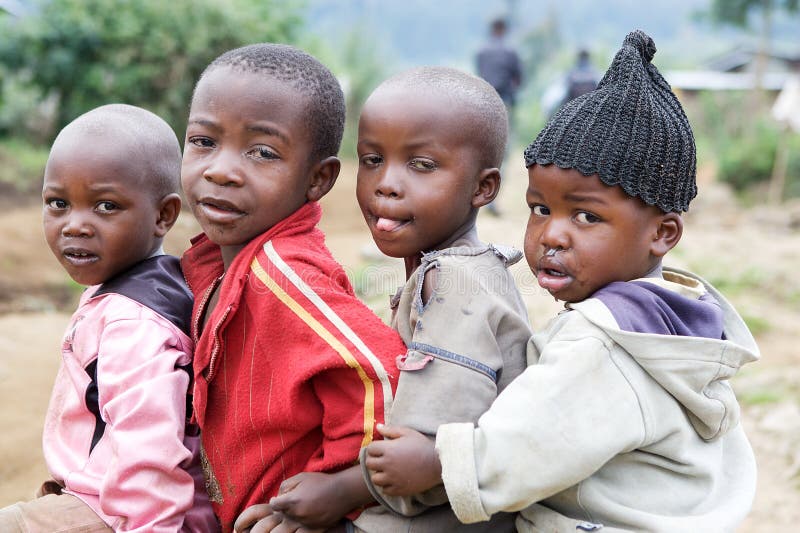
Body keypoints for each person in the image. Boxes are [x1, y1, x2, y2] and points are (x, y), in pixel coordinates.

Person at [363, 30, 759, 532]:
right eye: (540, 209)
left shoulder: (602, 342)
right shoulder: (674, 321)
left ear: (662, 234)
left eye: (587, 217)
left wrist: (439, 464)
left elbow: (534, 441)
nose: (552, 235)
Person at [242, 66, 533, 533]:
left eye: (422, 165)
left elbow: (427, 455)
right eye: (373, 159)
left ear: (483, 188)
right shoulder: (455, 270)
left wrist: (340, 492)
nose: (386, 183)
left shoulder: (452, 280)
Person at [179, 43, 405, 533]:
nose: (220, 169)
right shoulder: (216, 262)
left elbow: (382, 377)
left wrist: (345, 488)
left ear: (317, 178)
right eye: (203, 141)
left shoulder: (283, 273)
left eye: (262, 152)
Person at [0, 104, 217, 532]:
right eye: (58, 203)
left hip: (120, 513)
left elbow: (150, 454)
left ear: (163, 215)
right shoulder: (152, 285)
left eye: (105, 206)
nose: (75, 225)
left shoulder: (132, 324)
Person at [476, 17, 523, 217]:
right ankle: (492, 200)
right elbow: (519, 80)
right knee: (502, 151)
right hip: (504, 104)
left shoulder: (481, 51)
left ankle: (476, 195)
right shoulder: (511, 52)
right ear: (504, 30)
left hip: (482, 103)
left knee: (480, 149)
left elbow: (478, 76)